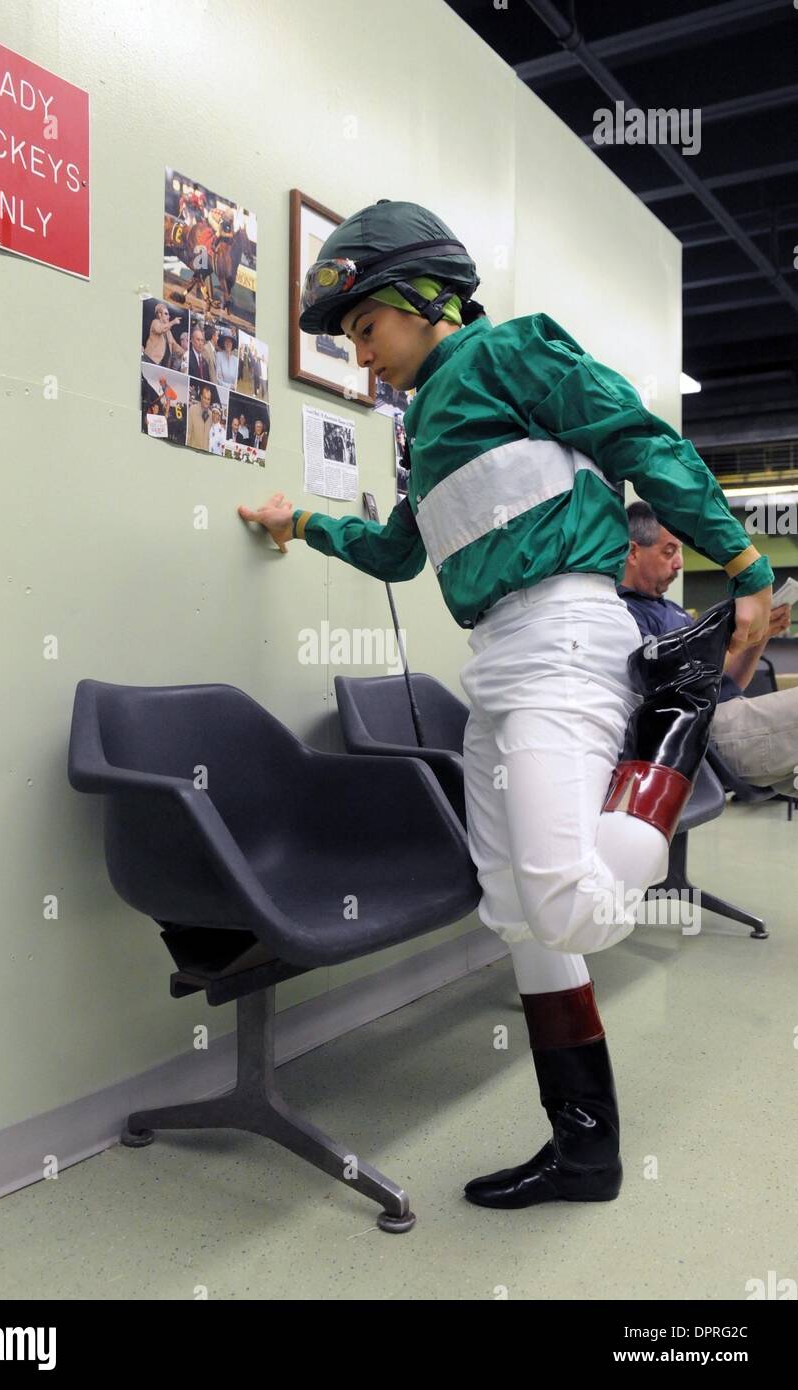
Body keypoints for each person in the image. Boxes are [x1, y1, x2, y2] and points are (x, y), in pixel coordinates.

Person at [237, 199, 773, 1210]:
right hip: (497, 657)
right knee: (521, 915)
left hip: (566, 639)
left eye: (364, 330)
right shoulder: (428, 427)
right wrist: (297, 521)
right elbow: (400, 549)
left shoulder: (511, 356)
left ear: (422, 299)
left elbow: (634, 440)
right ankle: (584, 1151)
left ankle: (677, 718)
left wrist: (745, 567)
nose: (361, 360)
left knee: (571, 901)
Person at [620, 501, 795, 797]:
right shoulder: (623, 613)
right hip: (699, 731)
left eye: (680, 552)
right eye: (669, 551)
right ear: (634, 552)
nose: (678, 563)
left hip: (728, 714)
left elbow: (730, 684)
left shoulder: (677, 614)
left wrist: (760, 636)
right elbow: (662, 685)